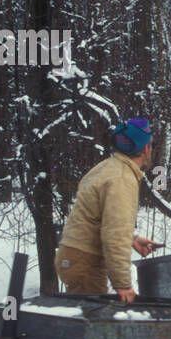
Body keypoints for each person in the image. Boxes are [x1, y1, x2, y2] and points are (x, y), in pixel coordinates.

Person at [55, 118, 159, 302]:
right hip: (85, 261)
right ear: (145, 149)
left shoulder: (106, 168)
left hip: (74, 256)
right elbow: (115, 234)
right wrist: (123, 284)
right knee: (90, 323)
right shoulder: (122, 178)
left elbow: (96, 218)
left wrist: (132, 239)